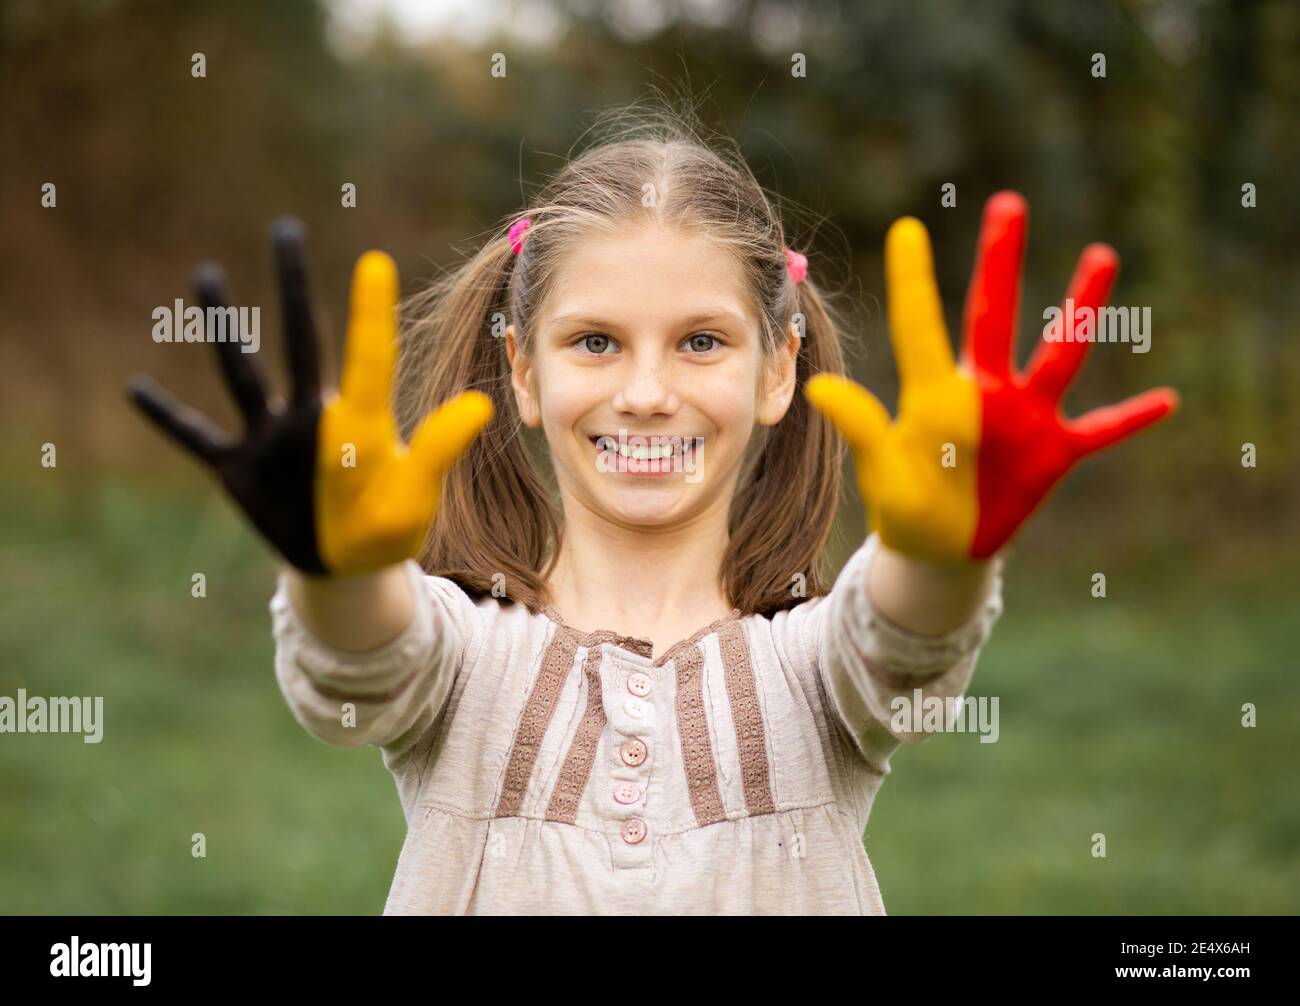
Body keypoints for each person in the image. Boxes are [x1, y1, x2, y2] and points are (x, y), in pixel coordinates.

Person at [127, 112, 1177, 915]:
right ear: (521, 374)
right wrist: (330, 564)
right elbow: (361, 664)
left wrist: (947, 550)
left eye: (700, 341)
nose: (643, 391)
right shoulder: (466, 663)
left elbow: (901, 639)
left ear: (779, 370)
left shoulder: (814, 675)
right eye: (594, 341)